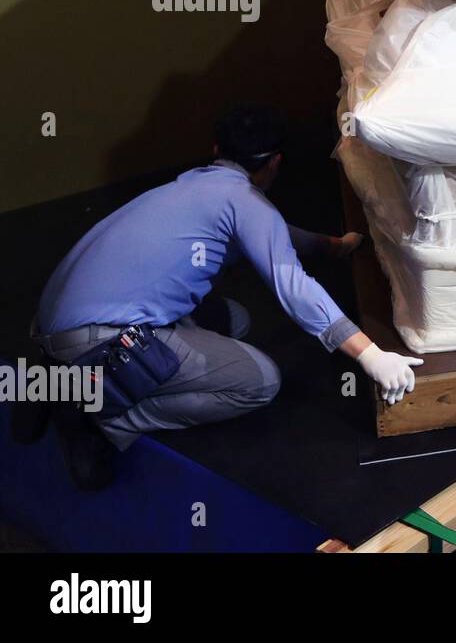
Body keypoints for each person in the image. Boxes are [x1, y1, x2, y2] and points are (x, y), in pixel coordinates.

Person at [31, 105, 422, 488]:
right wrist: (371, 354)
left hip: (54, 325)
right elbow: (294, 288)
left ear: (217, 151)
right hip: (95, 341)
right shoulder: (245, 203)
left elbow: (277, 234)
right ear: (275, 163)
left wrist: (336, 246)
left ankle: (86, 379)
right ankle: (102, 418)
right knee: (259, 382)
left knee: (233, 318)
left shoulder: (189, 186)